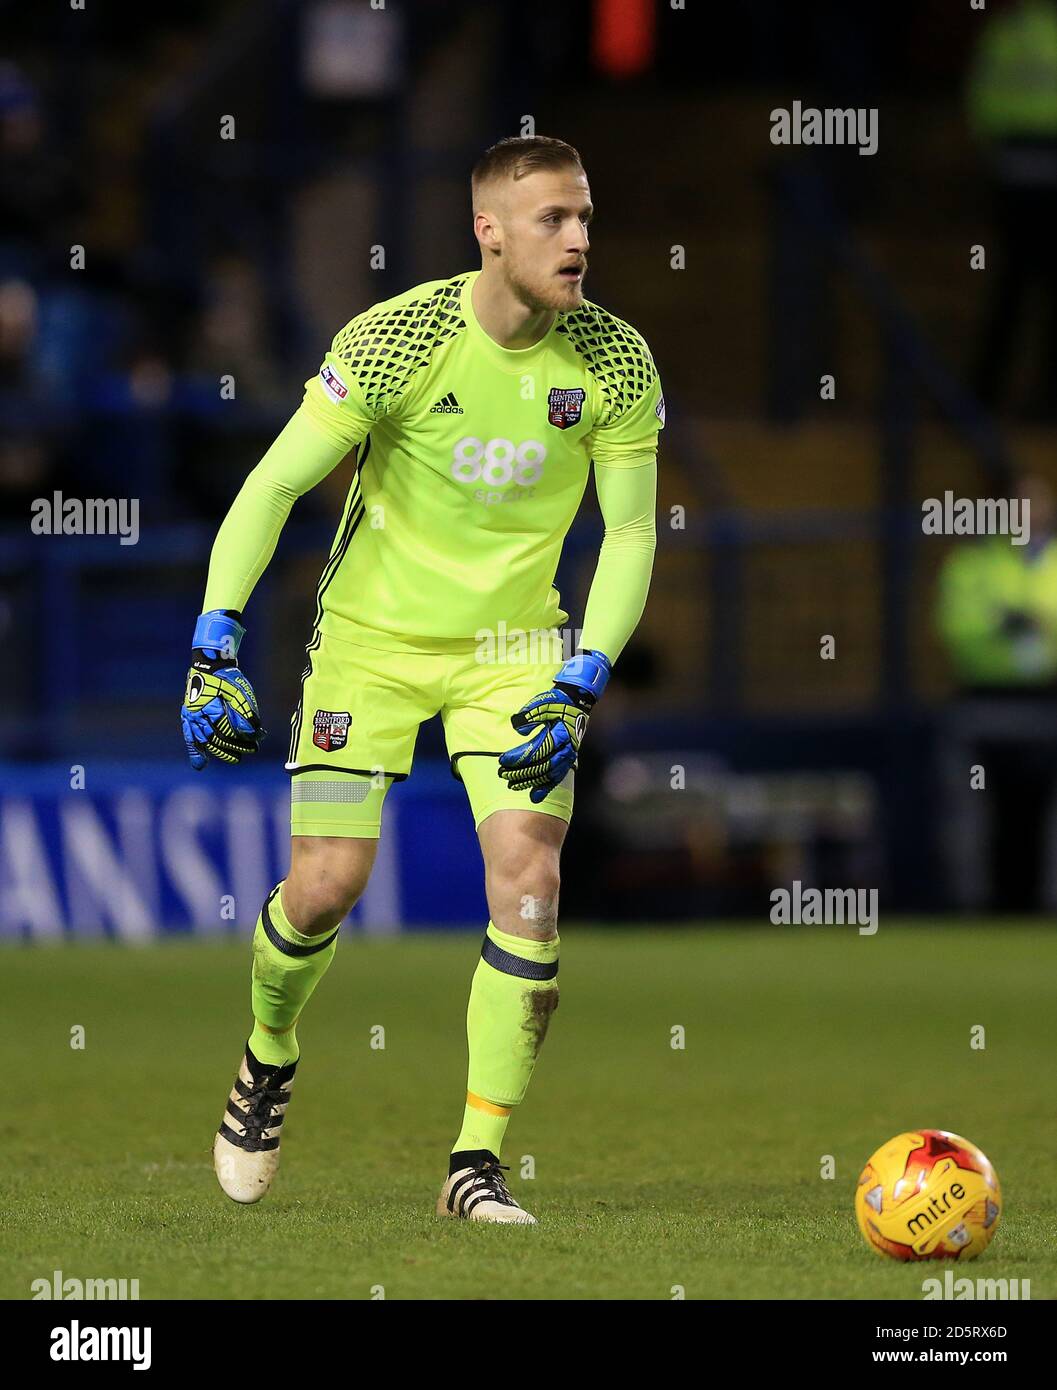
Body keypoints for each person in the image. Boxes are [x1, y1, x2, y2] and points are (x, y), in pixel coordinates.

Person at [180, 136, 663, 1223]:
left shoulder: (616, 362)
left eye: (584, 215)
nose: (578, 238)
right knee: (324, 888)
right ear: (488, 229)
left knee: (529, 884)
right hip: (373, 642)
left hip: (516, 656)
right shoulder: (398, 338)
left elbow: (628, 531)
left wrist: (583, 673)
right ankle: (267, 1057)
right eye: (551, 219)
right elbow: (271, 487)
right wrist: (215, 635)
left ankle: (473, 1163)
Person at [935, 473, 1057, 910]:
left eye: (1038, 501)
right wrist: (1003, 627)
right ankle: (973, 907)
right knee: (972, 811)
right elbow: (957, 627)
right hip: (983, 705)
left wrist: (1034, 623)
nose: (1030, 512)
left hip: (1048, 703)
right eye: (1020, 503)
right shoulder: (974, 563)